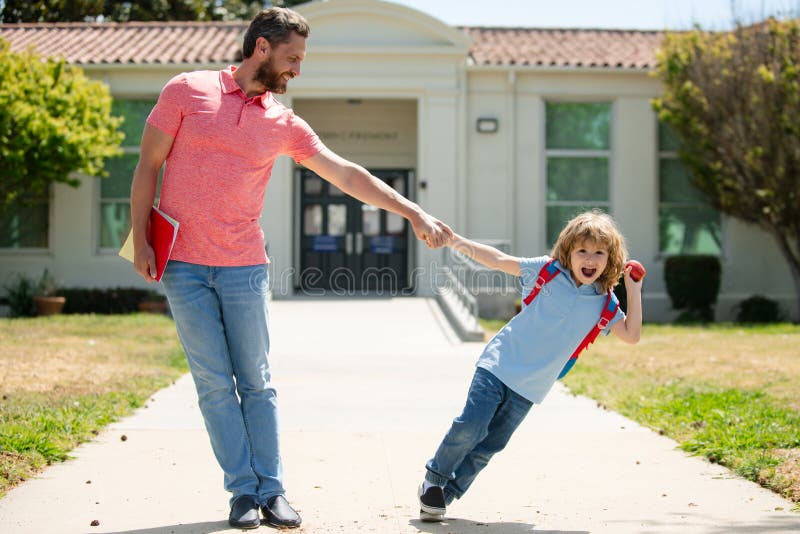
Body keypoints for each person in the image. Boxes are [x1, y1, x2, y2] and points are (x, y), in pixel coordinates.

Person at [129, 7, 452, 530]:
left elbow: (346, 173)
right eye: (293, 58)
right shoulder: (185, 90)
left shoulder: (281, 122)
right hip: (183, 266)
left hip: (244, 267)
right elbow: (147, 165)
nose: (297, 69)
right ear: (261, 47)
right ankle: (241, 493)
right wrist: (140, 238)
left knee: (256, 382)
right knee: (213, 384)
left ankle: (272, 492)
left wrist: (411, 210)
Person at [417, 210, 642, 521]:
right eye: (582, 250)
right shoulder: (546, 271)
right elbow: (497, 260)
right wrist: (455, 241)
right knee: (472, 426)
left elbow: (631, 335)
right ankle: (435, 480)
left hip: (531, 387)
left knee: (489, 446)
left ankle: (443, 496)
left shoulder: (604, 302)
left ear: (610, 257)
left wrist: (632, 289)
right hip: (498, 364)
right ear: (568, 251)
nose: (590, 259)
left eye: (599, 253)